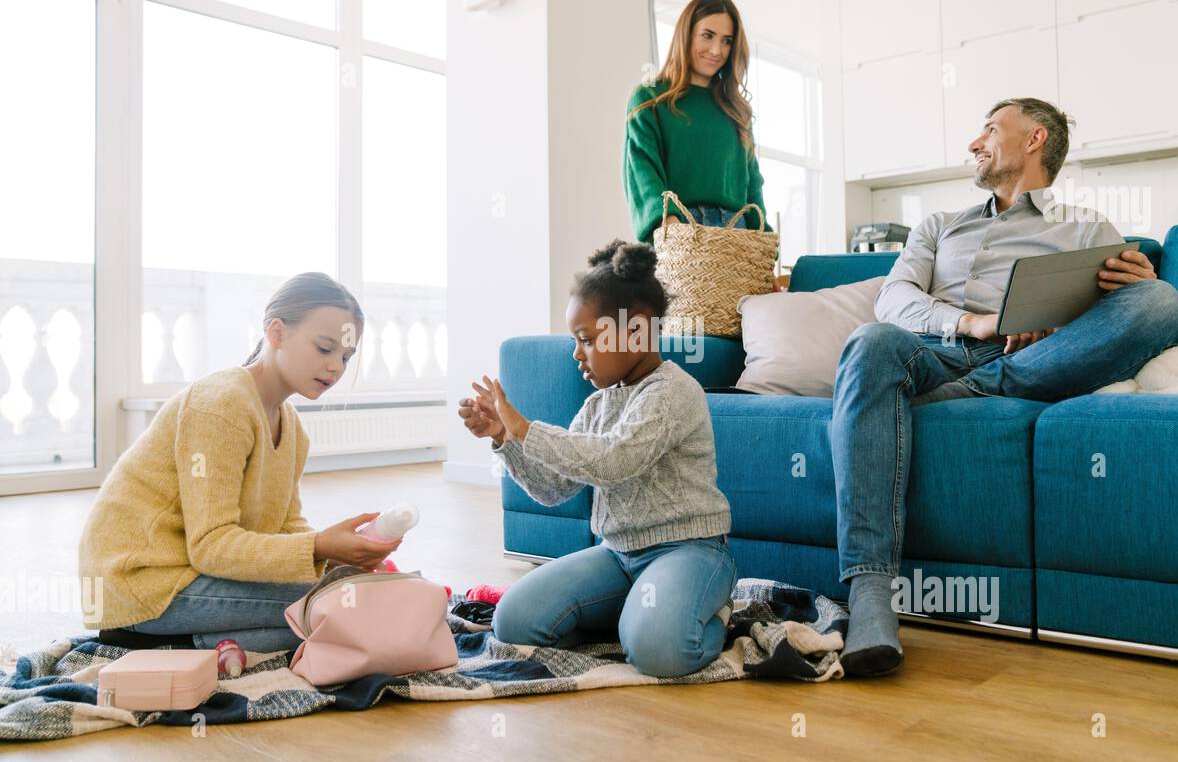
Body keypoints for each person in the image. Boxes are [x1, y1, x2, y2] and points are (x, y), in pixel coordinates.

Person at [833, 97, 1178, 676]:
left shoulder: (1087, 226)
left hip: (1033, 359)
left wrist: (1127, 289)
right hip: (935, 353)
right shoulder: (938, 225)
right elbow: (892, 300)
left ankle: (987, 385)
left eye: (990, 129)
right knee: (870, 341)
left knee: (1161, 301)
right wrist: (970, 322)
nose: (975, 142)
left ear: (1034, 140)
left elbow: (1113, 324)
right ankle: (871, 592)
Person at [78, 273, 405, 653]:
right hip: (142, 584)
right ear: (277, 333)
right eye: (324, 348)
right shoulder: (221, 405)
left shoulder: (292, 427)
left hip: (195, 574)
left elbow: (285, 523)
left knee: (347, 607)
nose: (335, 367)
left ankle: (191, 643)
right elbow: (211, 546)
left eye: (346, 356)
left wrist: (335, 558)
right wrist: (317, 547)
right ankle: (151, 636)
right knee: (351, 611)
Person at [458, 240, 737, 678]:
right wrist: (503, 439)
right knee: (512, 621)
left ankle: (708, 615)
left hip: (689, 551)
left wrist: (526, 428)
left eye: (586, 339)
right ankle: (639, 611)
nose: (576, 354)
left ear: (638, 329)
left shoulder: (674, 392)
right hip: (616, 557)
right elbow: (555, 490)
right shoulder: (596, 406)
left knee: (659, 651)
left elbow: (613, 461)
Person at [623, 0, 773, 250]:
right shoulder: (649, 98)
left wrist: (765, 249)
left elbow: (752, 186)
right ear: (686, 34)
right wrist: (670, 225)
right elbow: (641, 170)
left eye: (727, 41)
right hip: (676, 232)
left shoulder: (737, 110)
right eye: (707, 35)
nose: (717, 51)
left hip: (735, 239)